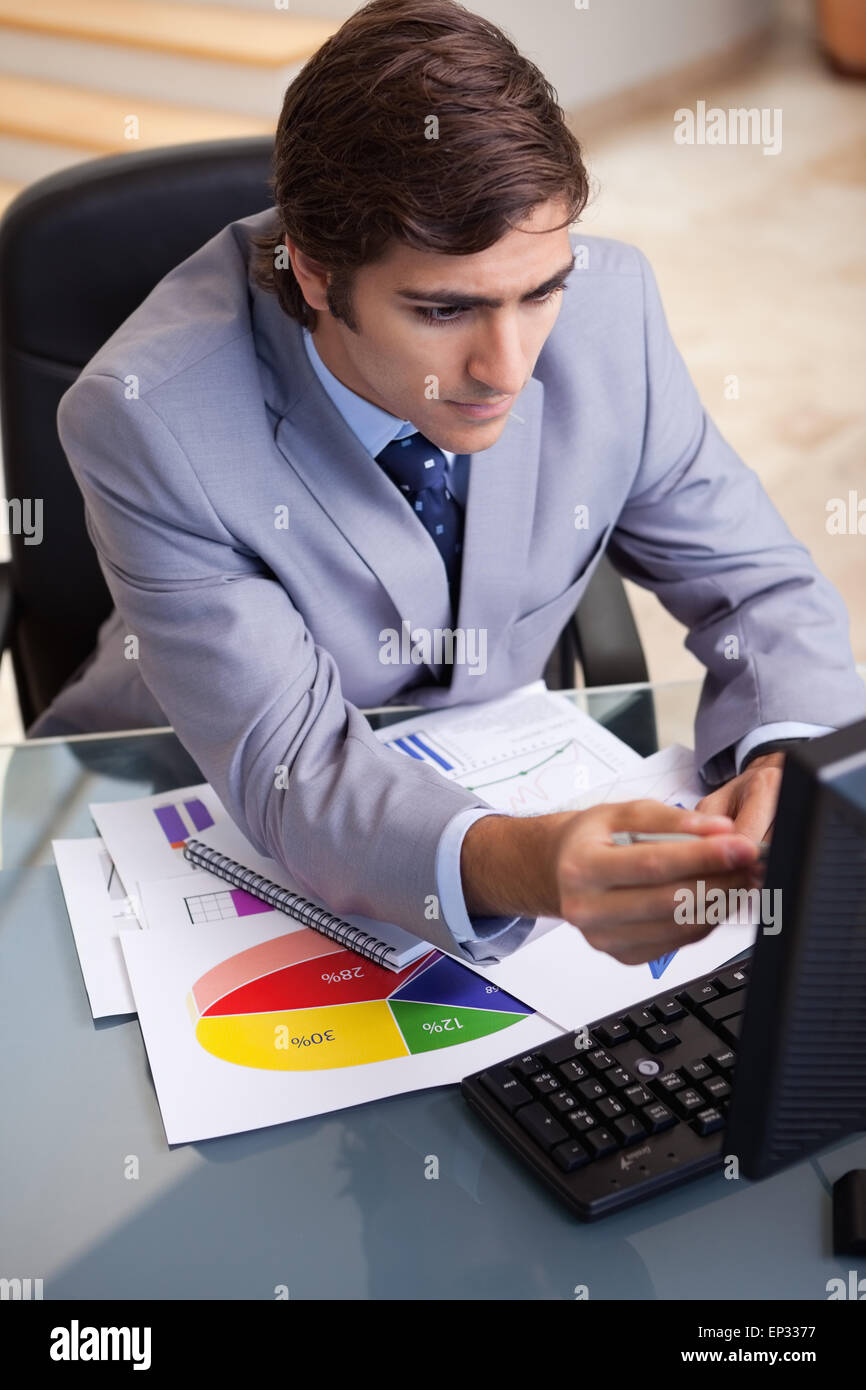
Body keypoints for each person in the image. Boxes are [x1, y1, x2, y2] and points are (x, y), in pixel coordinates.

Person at [28, 0, 865, 967]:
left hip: (495, 760)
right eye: (443, 309)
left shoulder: (610, 310)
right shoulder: (151, 416)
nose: (506, 367)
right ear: (310, 271)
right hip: (177, 802)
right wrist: (530, 865)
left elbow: (758, 586)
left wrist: (784, 761)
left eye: (538, 292)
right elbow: (295, 774)